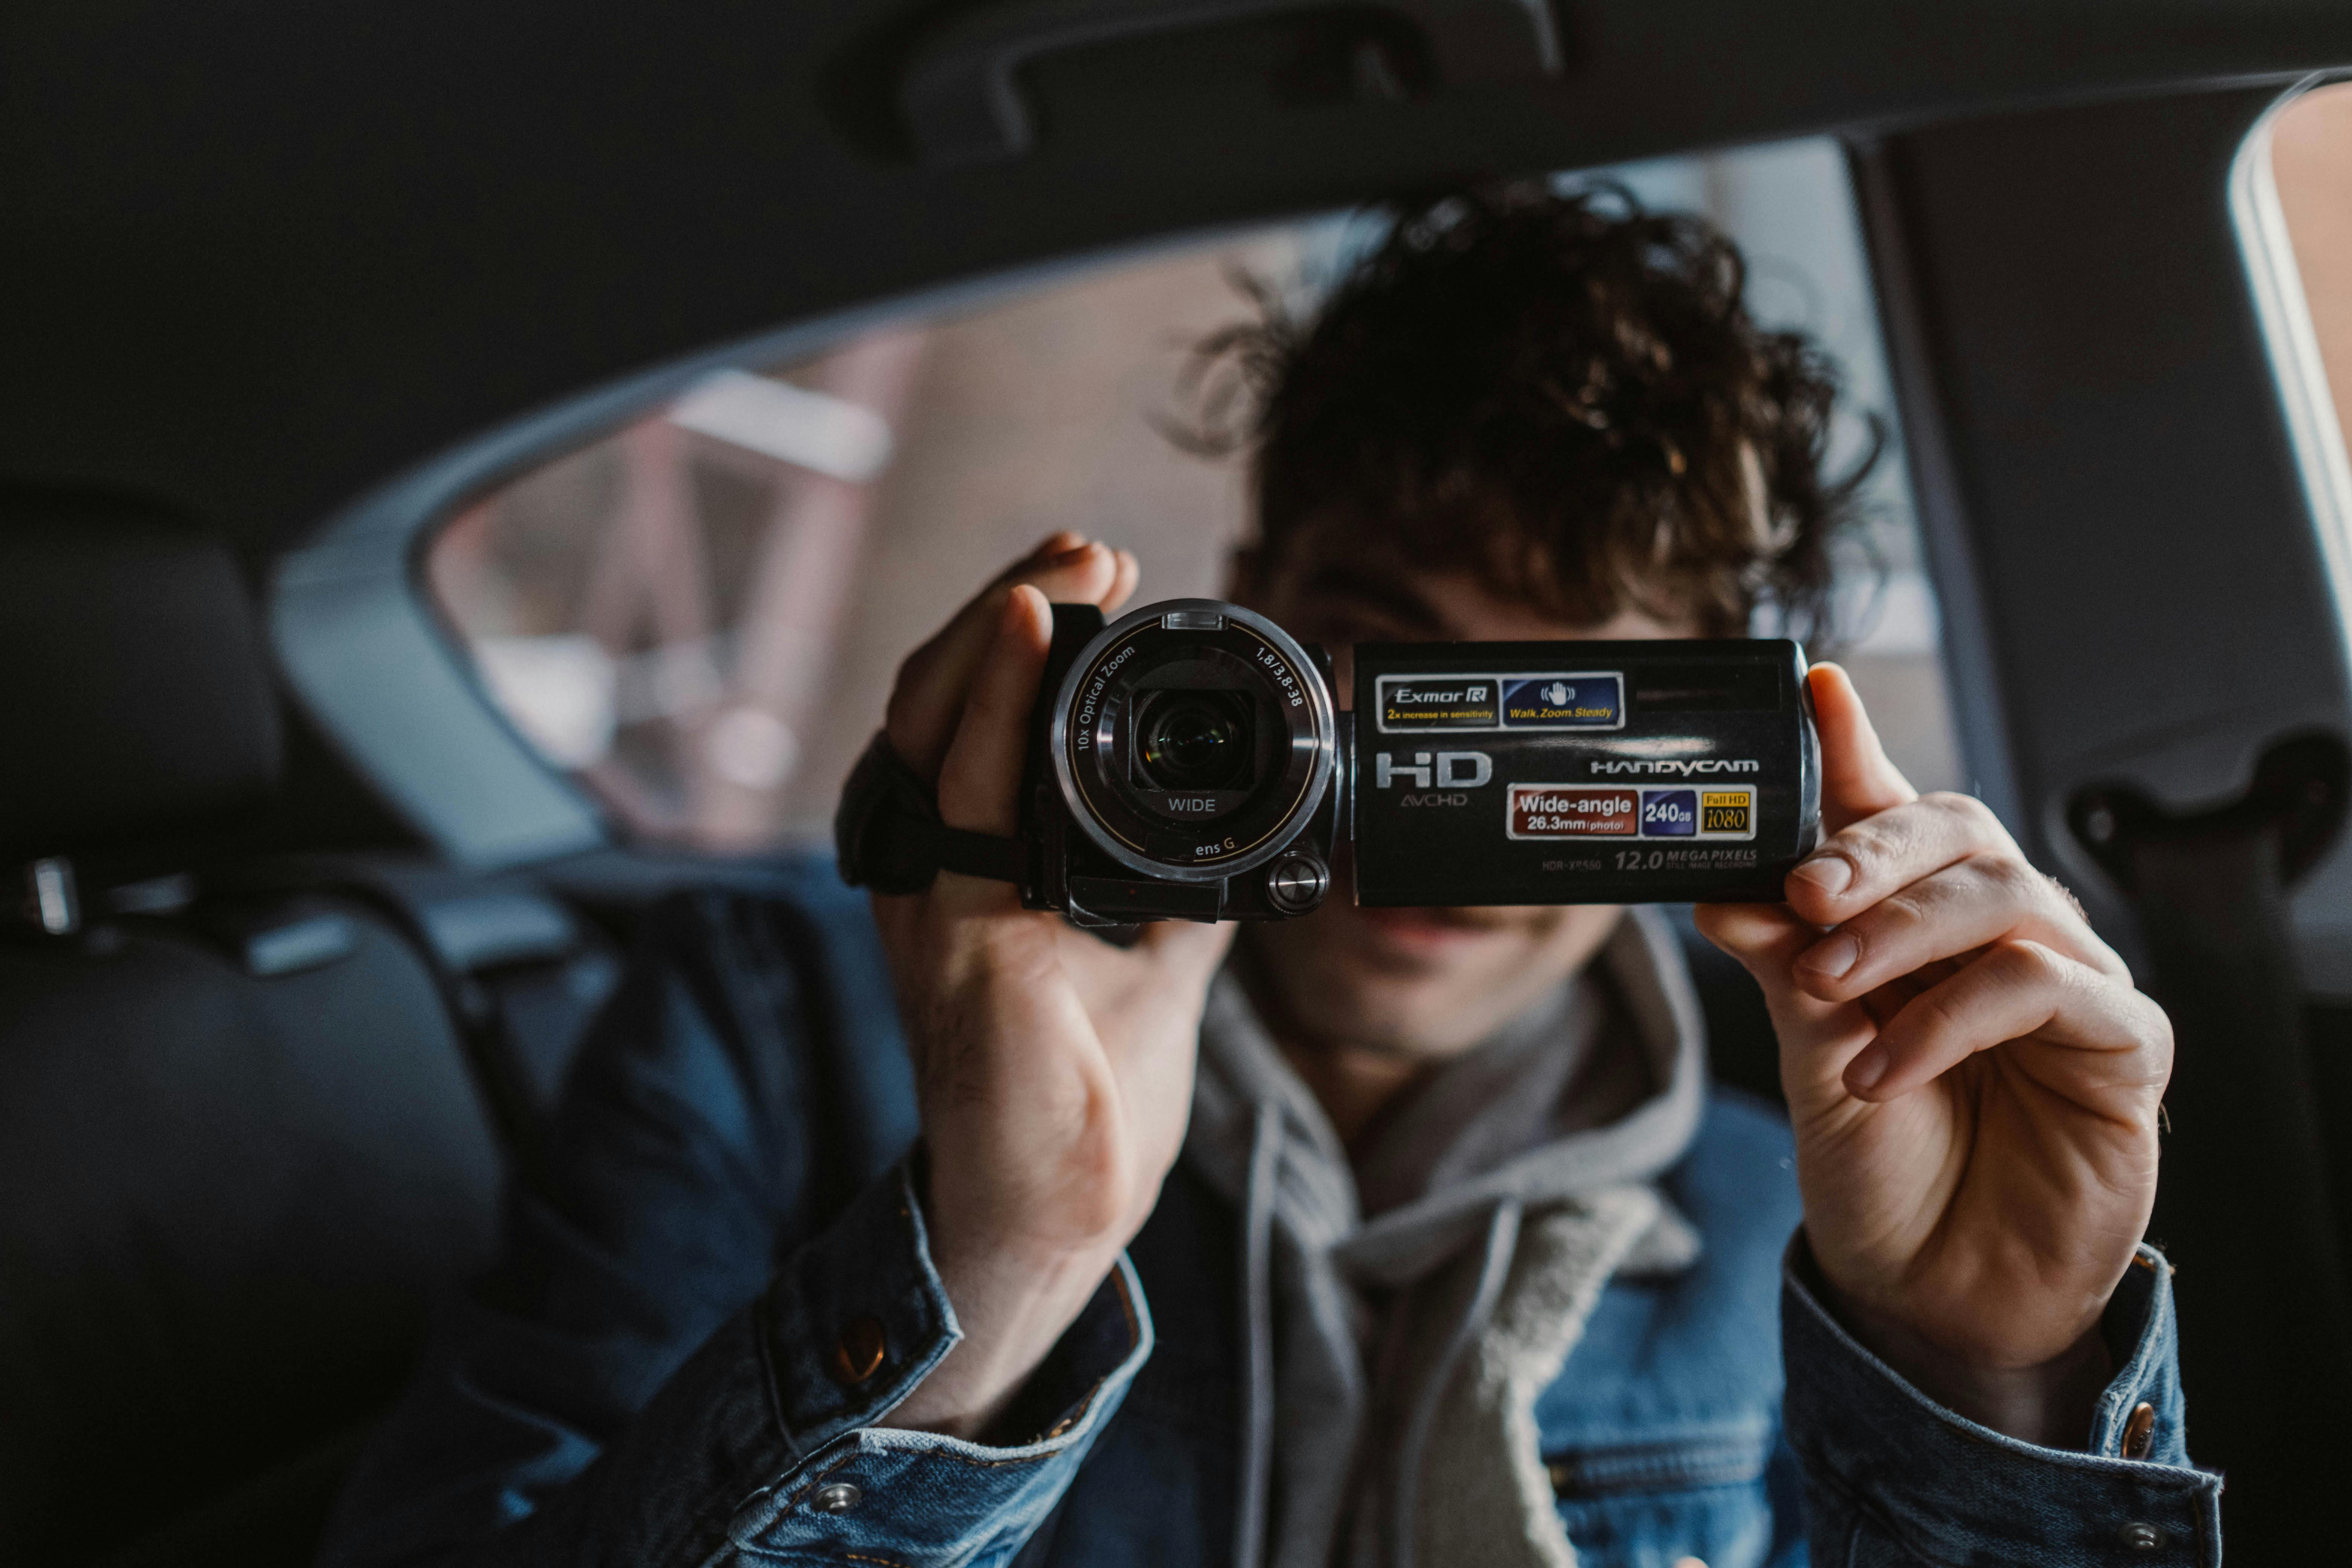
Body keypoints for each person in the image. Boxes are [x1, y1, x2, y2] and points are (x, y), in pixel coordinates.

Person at [320, 185, 2211, 1568]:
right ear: (1252, 620)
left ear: (1699, 752)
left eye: (1546, 725)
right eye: (1376, 672)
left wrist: (1993, 1390)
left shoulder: (1813, 1203)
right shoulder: (784, 1015)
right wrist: (994, 1264)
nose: (1423, 784)